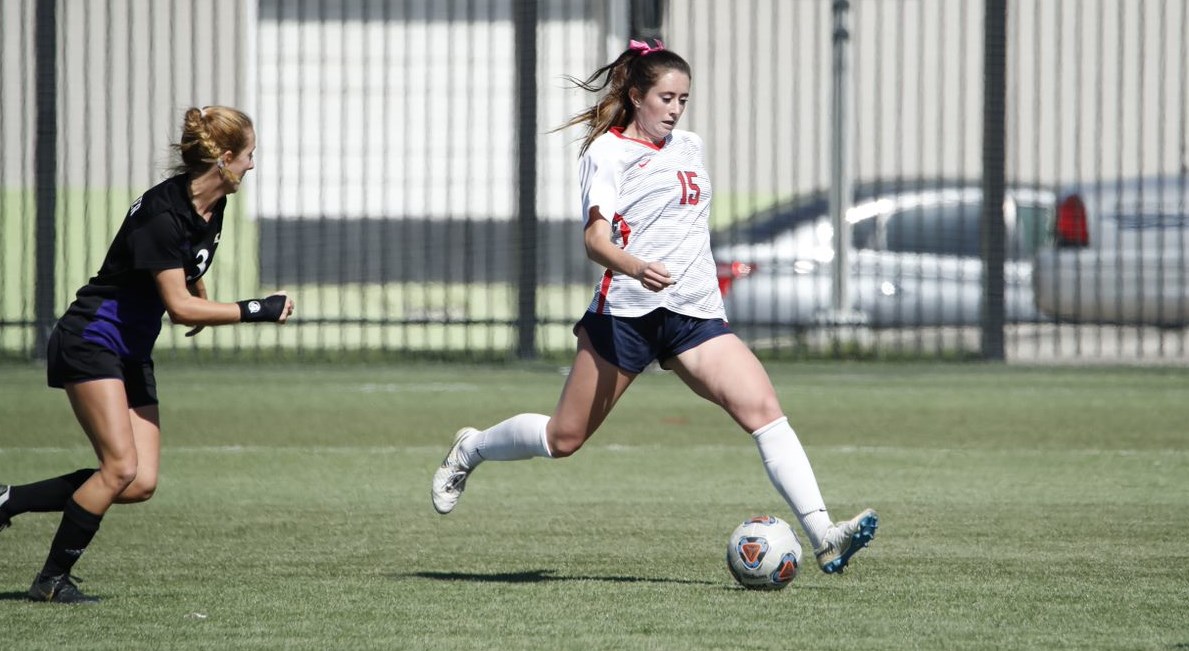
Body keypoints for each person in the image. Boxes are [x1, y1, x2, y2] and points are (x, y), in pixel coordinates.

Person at [430, 40, 878, 575]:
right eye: (666, 97)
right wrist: (634, 265)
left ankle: (824, 533)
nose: (675, 109)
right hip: (626, 314)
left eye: (683, 99)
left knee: (764, 413)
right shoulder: (607, 153)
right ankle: (470, 449)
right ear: (637, 95)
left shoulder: (690, 146)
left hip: (693, 314)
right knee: (563, 438)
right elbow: (595, 241)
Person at [0, 105, 295, 604]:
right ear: (224, 159)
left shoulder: (212, 205)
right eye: (248, 156)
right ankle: (50, 581)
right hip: (92, 338)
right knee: (118, 468)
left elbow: (189, 268)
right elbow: (178, 308)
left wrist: (202, 300)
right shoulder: (163, 213)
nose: (252, 166)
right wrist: (255, 310)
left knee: (137, 483)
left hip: (130, 349)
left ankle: (10, 499)